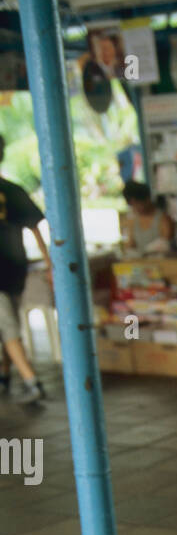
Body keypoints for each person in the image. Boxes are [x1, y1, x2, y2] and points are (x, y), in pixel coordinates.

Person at [0, 133, 52, 405]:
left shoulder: (11, 190)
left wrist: (49, 264)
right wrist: (49, 263)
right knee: (9, 324)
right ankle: (18, 376)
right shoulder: (12, 189)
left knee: (9, 326)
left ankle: (20, 377)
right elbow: (35, 228)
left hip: (8, 271)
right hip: (15, 269)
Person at [121, 181, 173, 254]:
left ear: (147, 199)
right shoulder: (132, 221)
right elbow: (130, 245)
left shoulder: (163, 219)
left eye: (138, 203)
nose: (136, 207)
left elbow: (166, 243)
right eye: (132, 205)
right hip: (140, 263)